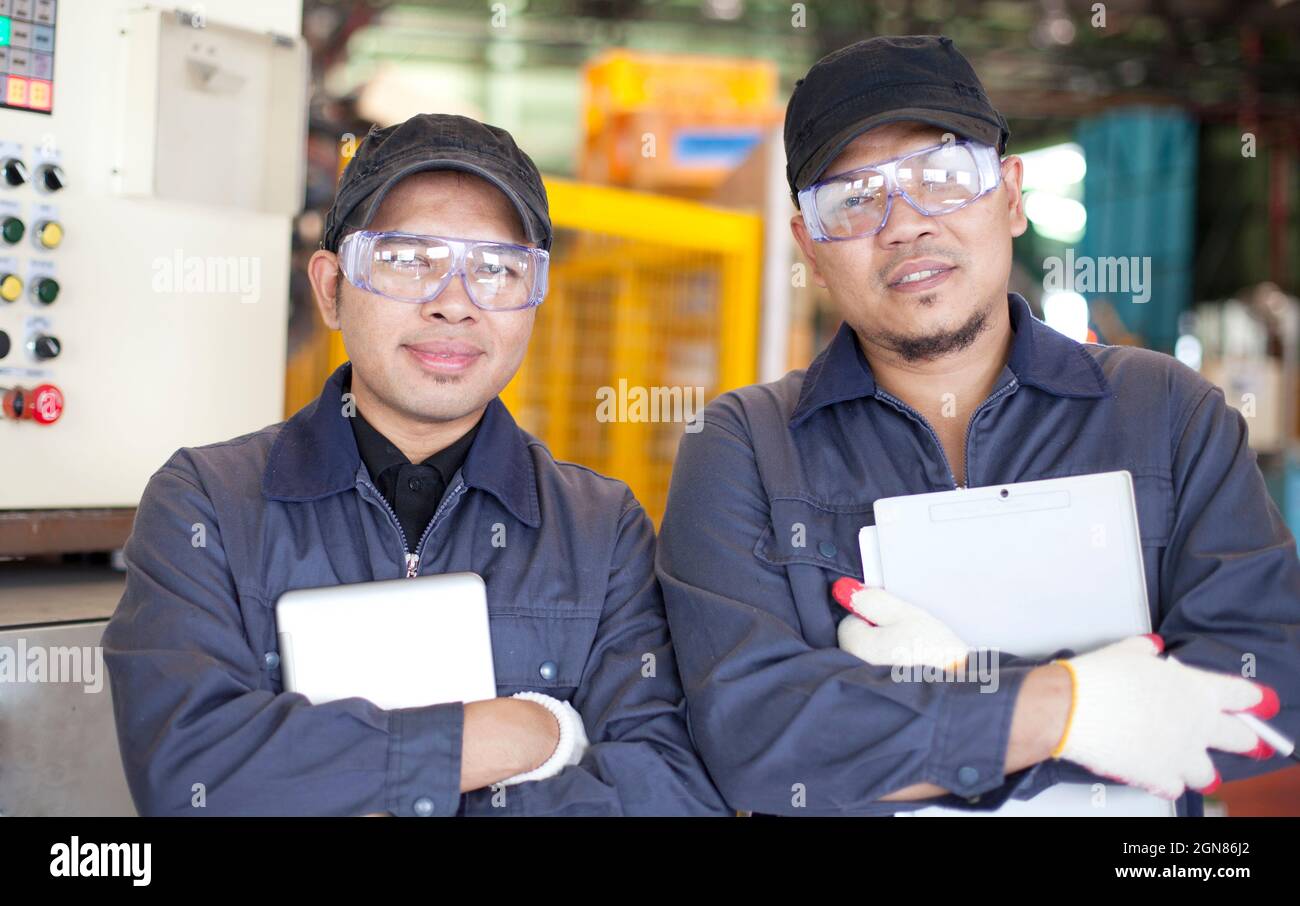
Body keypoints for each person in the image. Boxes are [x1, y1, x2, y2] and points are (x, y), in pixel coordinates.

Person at [656, 35, 1299, 816]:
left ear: (1012, 195)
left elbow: (1271, 688)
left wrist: (962, 691)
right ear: (810, 249)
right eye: (853, 199)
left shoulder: (1167, 412)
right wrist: (1077, 709)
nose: (904, 225)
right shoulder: (744, 448)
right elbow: (752, 743)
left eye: (942, 177)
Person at [103, 113, 727, 817]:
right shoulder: (207, 504)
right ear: (331, 287)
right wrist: (512, 733)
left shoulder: (600, 530)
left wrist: (343, 775)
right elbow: (190, 774)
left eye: (496, 268)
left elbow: (666, 787)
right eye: (407, 259)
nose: (454, 304)